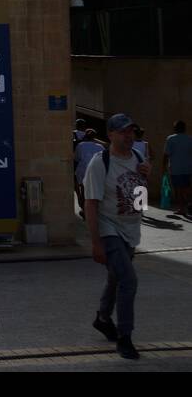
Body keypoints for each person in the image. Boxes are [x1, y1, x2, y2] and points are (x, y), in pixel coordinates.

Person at [84, 113, 151, 360]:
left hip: (130, 229)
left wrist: (146, 176)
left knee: (116, 278)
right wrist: (96, 243)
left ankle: (103, 318)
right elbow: (90, 204)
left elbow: (140, 198)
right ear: (110, 134)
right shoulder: (99, 163)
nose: (128, 136)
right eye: (123, 132)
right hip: (108, 228)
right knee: (129, 280)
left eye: (131, 131)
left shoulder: (139, 157)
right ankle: (125, 338)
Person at [73, 129, 104, 220]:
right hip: (96, 173)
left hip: (83, 171)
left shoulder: (80, 145)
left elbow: (77, 159)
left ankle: (84, 209)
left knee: (83, 191)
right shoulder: (100, 147)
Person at [164, 119, 192, 214]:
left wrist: (163, 167)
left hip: (175, 168)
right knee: (186, 187)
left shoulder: (171, 139)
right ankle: (189, 203)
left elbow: (166, 154)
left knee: (178, 189)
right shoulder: (190, 139)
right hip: (188, 168)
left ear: (175, 128)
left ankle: (181, 208)